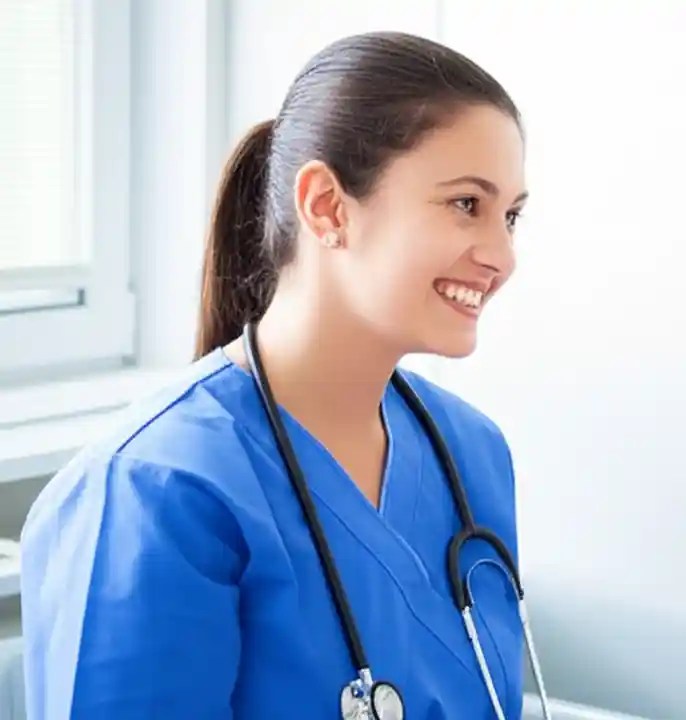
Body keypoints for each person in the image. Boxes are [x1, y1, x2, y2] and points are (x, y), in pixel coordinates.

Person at [20, 32, 540, 719]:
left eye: (510, 215)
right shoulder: (155, 491)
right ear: (326, 206)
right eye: (466, 205)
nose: (503, 256)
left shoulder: (471, 455)